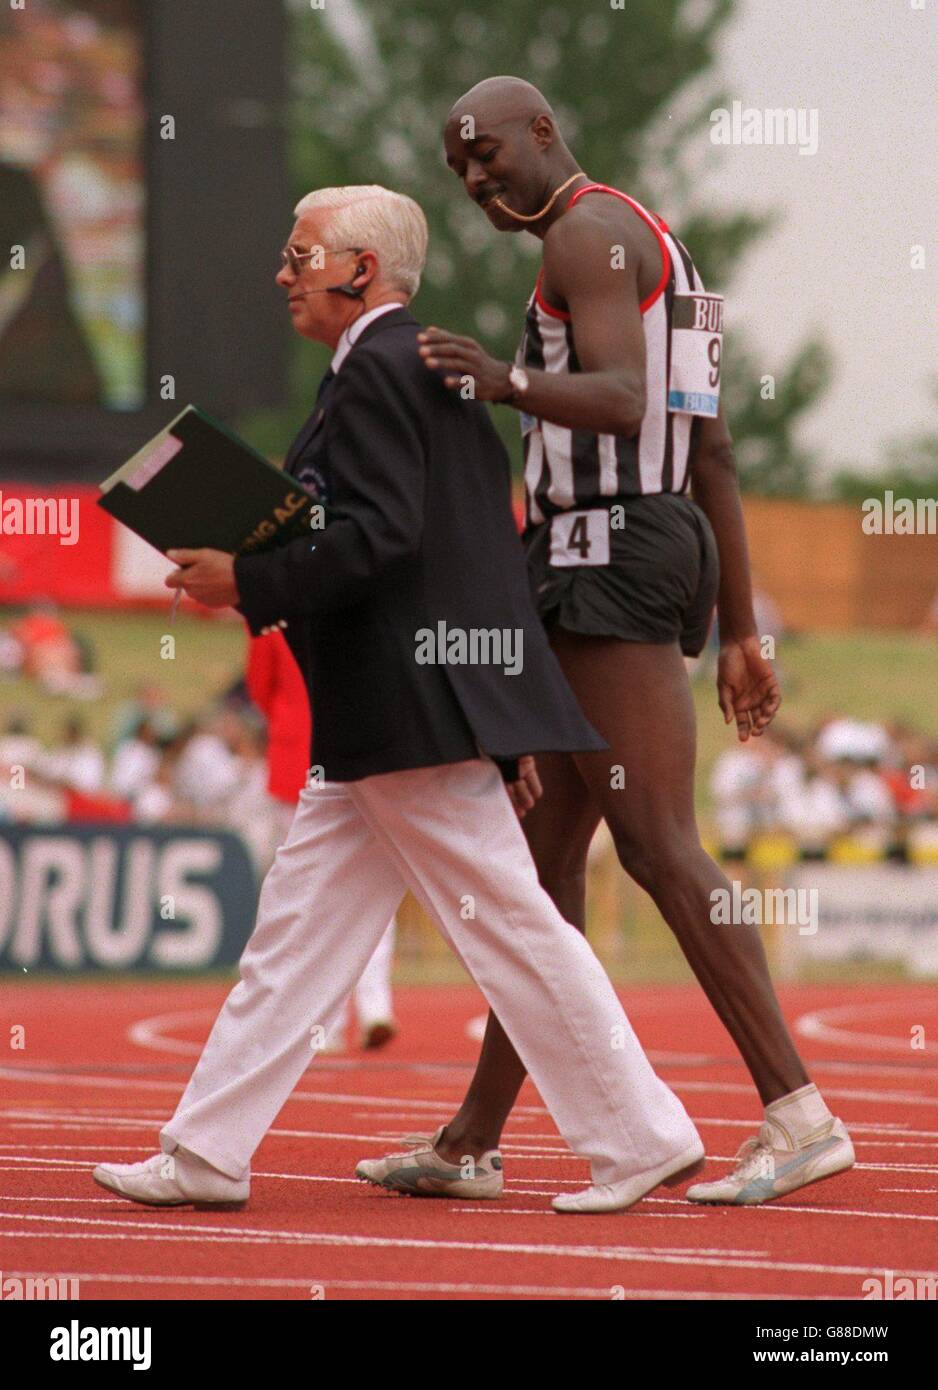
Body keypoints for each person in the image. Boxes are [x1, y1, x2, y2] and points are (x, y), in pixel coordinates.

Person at [92, 184, 703, 1216]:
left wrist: (244, 577)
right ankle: (205, 1150)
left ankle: (642, 1134)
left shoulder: (378, 370)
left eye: (299, 256)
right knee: (294, 945)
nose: (282, 274)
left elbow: (381, 538)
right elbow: (465, 546)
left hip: (404, 709)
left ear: (360, 269)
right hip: (399, 707)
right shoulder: (418, 367)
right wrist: (501, 717)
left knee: (513, 927)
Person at [365, 78, 853, 1207]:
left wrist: (502, 380)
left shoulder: (584, 235)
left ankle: (799, 1111)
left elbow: (625, 401)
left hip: (607, 552)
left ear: (547, 129)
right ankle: (473, 1135)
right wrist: (739, 626)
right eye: (461, 172)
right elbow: (713, 447)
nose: (480, 181)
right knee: (542, 863)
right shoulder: (650, 240)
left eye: (488, 155)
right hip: (643, 547)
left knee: (653, 843)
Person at [246, 629, 397, 1048]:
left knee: (309, 896)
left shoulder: (272, 603)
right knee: (370, 888)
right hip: (357, 758)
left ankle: (322, 1022)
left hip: (298, 759)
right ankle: (374, 1007)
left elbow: (260, 686)